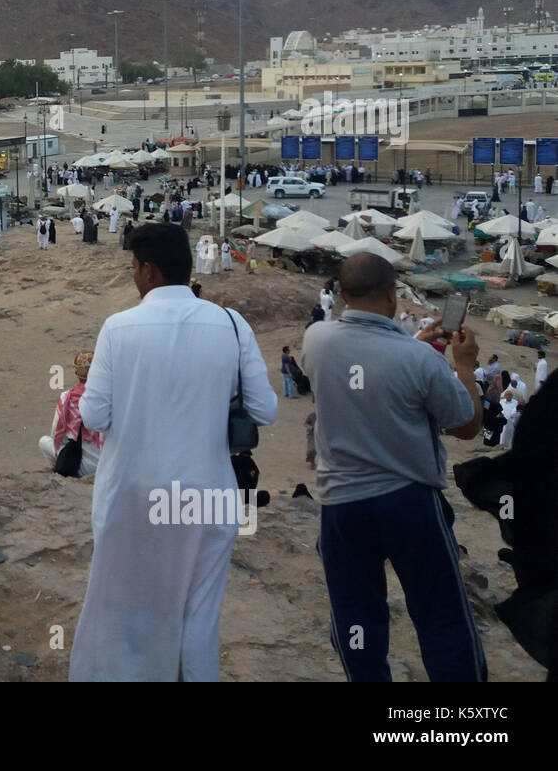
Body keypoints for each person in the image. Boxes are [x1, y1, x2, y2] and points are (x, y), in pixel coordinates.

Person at [69, 222, 277, 681]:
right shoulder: (231, 323)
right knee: (198, 614)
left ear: (148, 271)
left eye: (133, 267)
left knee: (125, 606)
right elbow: (264, 408)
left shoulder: (118, 328)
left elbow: (96, 416)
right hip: (208, 494)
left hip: (133, 496)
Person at [300, 253, 486, 681]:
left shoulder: (316, 340)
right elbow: (467, 425)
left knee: (357, 617)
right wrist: (464, 366)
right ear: (392, 293)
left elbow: (362, 371)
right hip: (409, 503)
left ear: (342, 295)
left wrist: (413, 343)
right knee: (440, 615)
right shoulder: (419, 361)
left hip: (342, 506)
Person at [38, 351, 104, 478]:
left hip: (80, 467)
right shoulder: (110, 397)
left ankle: (57, 474)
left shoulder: (67, 398)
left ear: (76, 372)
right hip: (109, 465)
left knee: (45, 441)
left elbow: (56, 434)